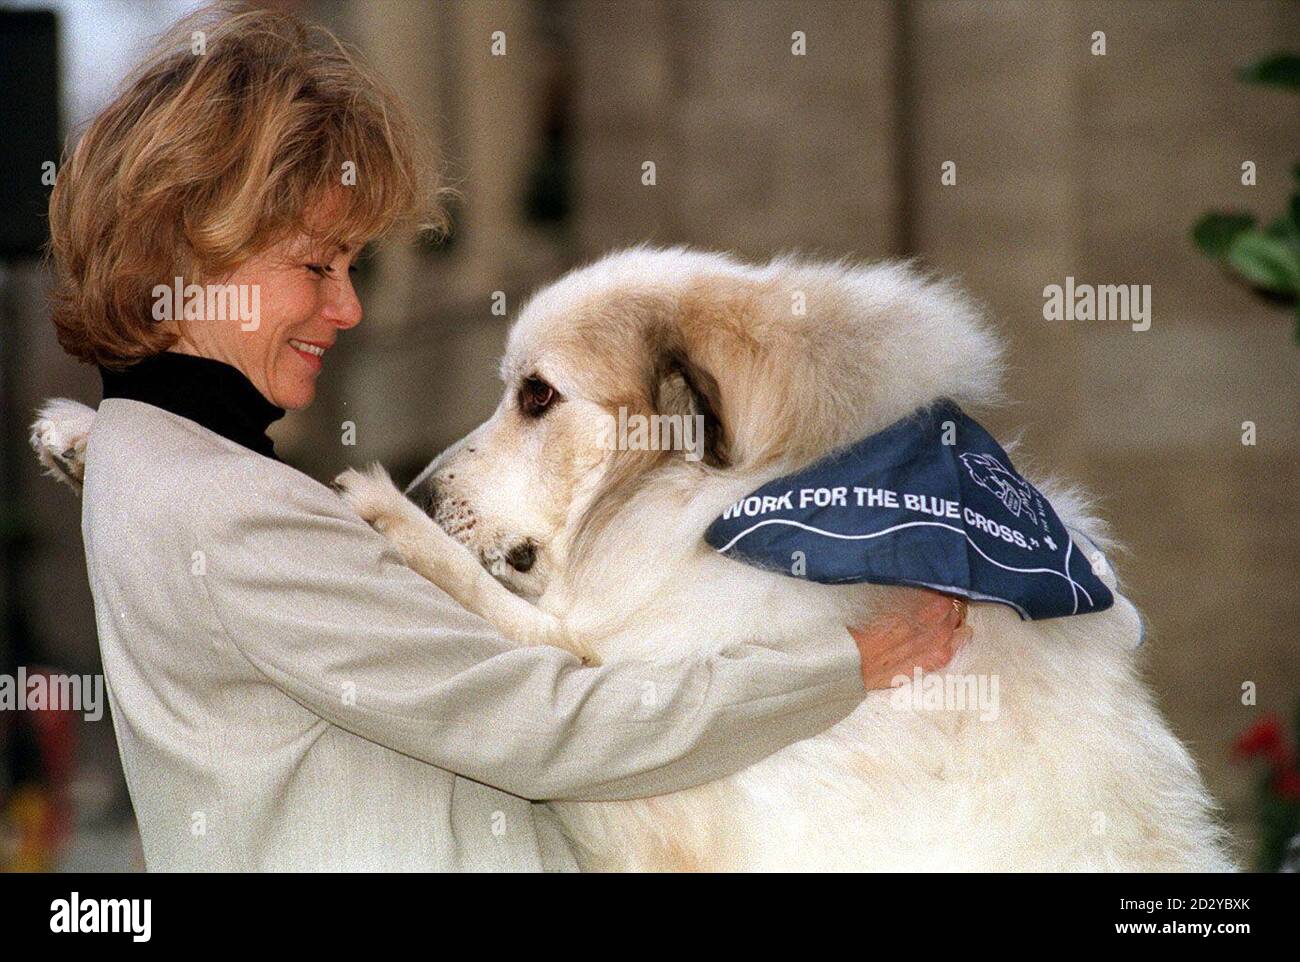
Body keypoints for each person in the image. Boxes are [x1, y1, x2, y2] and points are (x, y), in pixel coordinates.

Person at [47, 2, 967, 871]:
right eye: (317, 265)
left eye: (354, 267)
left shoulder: (145, 458)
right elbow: (547, 726)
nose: (349, 307)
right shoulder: (233, 513)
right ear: (189, 254)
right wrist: (842, 662)